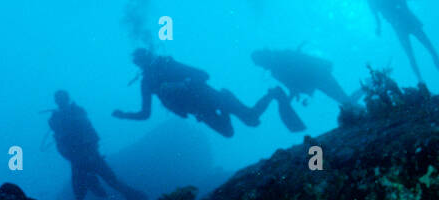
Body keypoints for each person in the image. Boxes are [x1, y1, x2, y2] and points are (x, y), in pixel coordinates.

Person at [112, 47, 304, 137]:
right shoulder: (147, 83)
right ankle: (228, 108)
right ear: (139, 65)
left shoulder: (169, 66)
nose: (145, 65)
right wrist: (124, 116)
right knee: (228, 133)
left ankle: (274, 94)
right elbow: (145, 114)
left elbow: (204, 75)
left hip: (212, 97)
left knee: (251, 119)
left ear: (150, 56)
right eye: (140, 63)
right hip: (200, 111)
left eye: (145, 60)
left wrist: (180, 84)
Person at [48, 91, 147, 200]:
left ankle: (134, 199)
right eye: (59, 99)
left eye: (62, 99)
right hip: (82, 158)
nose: (61, 101)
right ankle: (129, 198)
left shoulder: (74, 113)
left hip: (87, 156)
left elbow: (88, 133)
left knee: (109, 182)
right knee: (85, 192)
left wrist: (87, 152)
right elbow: (63, 143)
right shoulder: (60, 118)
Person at [369, 0, 439, 87]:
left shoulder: (372, 2)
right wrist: (379, 27)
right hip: (405, 24)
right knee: (419, 53)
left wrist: (379, 27)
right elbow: (378, 17)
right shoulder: (372, 1)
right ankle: (424, 79)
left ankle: (438, 77)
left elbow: (379, 17)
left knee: (424, 51)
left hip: (405, 23)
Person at [250, 48, 359, 109]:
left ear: (263, 59)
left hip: (319, 75)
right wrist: (292, 95)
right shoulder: (275, 69)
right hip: (317, 77)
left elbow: (294, 78)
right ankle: (366, 90)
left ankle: (367, 88)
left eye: (260, 63)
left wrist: (292, 95)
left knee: (345, 101)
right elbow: (291, 84)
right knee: (344, 100)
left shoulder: (281, 59)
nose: (262, 67)